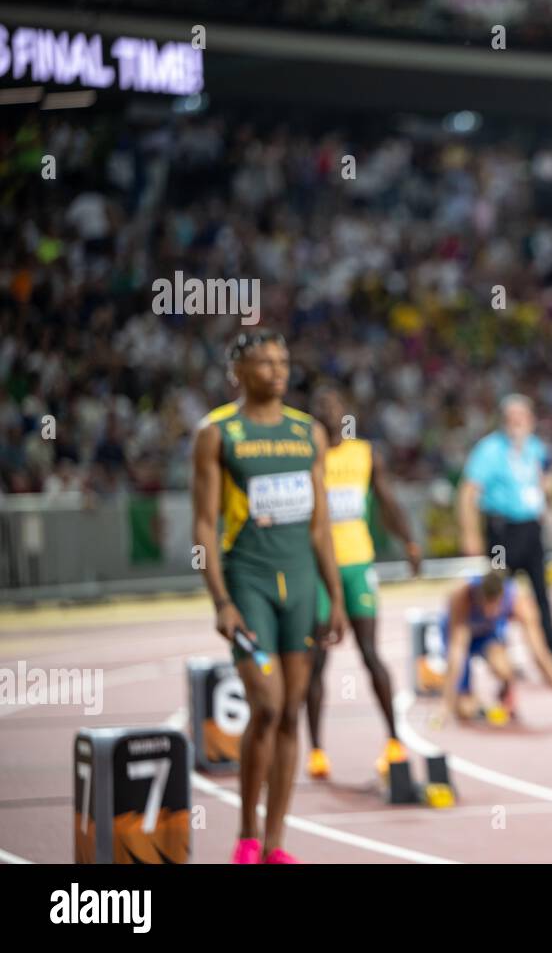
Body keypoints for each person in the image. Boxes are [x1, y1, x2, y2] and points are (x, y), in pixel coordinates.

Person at [192, 330, 347, 864]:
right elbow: (205, 523)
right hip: (249, 584)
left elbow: (321, 526)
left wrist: (336, 597)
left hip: (301, 584)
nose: (277, 371)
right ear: (238, 371)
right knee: (267, 703)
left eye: (283, 361)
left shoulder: (308, 433)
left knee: (290, 713)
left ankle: (276, 843)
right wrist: (220, 601)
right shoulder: (217, 433)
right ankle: (246, 836)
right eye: (264, 362)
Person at [304, 386, 423, 780]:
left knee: (371, 653)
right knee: (317, 661)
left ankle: (393, 739)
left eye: (333, 406)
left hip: (358, 566)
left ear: (345, 414)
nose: (327, 412)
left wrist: (408, 540)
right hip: (319, 570)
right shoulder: (307, 458)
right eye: (320, 407)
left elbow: (386, 500)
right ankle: (317, 749)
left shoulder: (364, 454)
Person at [457, 394, 552, 668]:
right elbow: (468, 491)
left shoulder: (536, 448)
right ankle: (501, 657)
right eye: (511, 417)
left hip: (530, 529)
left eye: (521, 417)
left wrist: (547, 500)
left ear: (531, 420)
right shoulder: (489, 450)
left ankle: (551, 653)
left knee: (541, 594)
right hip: (501, 531)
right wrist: (470, 533)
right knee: (497, 594)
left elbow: (544, 479)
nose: (516, 422)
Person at [433, 570, 552, 725]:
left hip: (487, 635)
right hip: (459, 633)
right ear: (478, 596)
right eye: (485, 605)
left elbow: (540, 655)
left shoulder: (518, 601)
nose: (488, 611)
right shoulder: (462, 595)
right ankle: (474, 702)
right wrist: (444, 707)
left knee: (504, 668)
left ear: (501, 598)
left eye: (493, 606)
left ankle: (504, 695)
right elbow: (457, 652)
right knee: (464, 711)